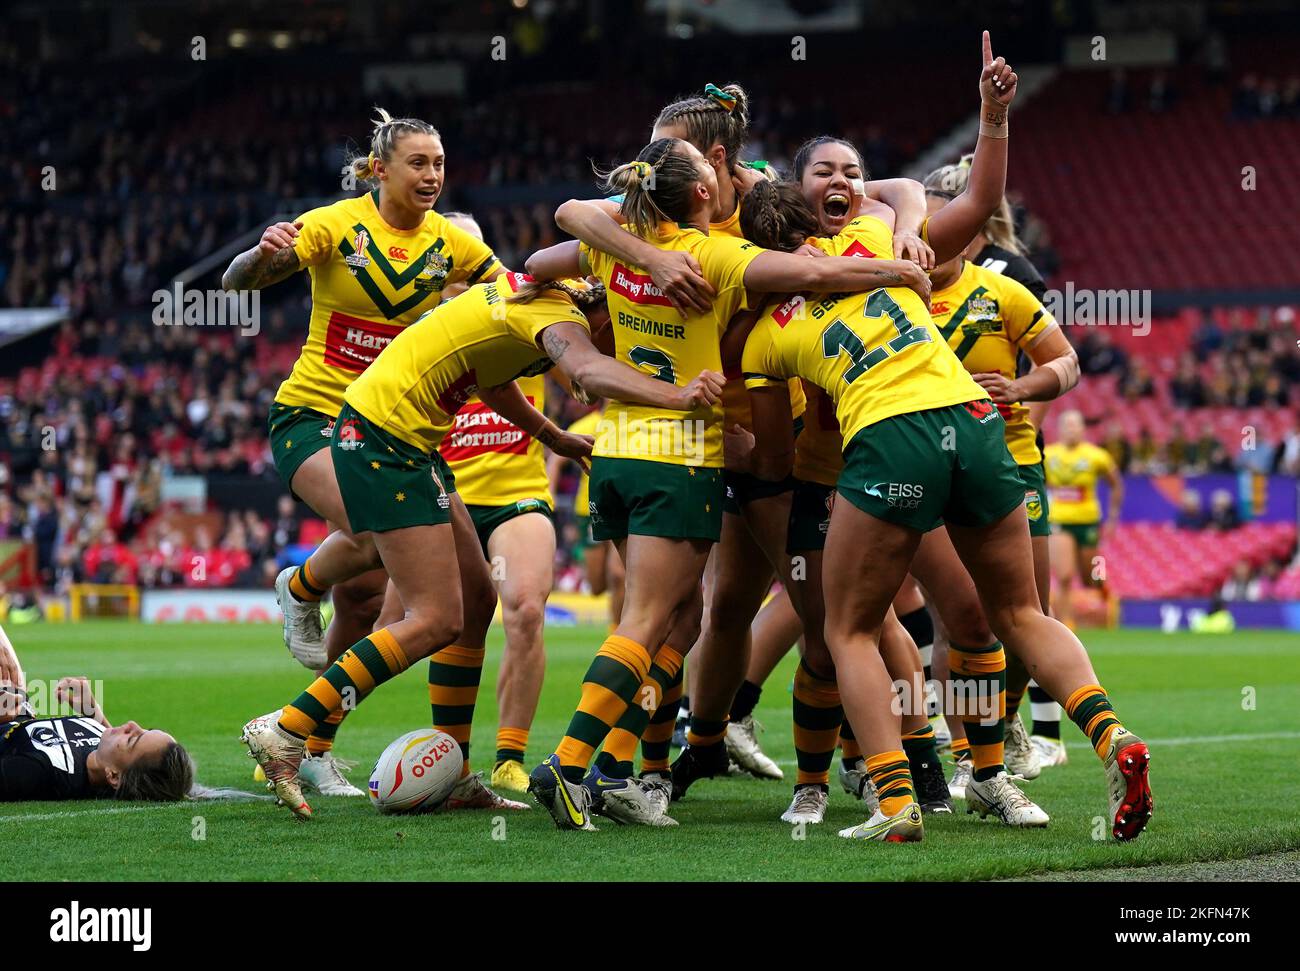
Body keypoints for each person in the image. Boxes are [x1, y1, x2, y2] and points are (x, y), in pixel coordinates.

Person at [741, 32, 1154, 845]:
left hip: (888, 449)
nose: (845, 184)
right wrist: (991, 120)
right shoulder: (884, 244)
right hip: (973, 427)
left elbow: (774, 457)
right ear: (800, 197)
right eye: (825, 172)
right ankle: (1107, 736)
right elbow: (963, 209)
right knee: (1012, 611)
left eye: (852, 174)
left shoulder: (771, 321)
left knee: (853, 628)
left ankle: (909, 798)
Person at [521, 135, 931, 831]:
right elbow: (819, 280)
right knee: (651, 622)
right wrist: (896, 272)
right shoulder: (711, 256)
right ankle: (570, 764)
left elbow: (543, 251)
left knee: (681, 622)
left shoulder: (611, 244)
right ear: (706, 190)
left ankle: (645, 768)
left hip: (613, 453)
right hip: (682, 456)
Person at [239, 270, 723, 819]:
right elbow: (588, 367)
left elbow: (493, 384)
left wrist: (552, 436)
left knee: (475, 596)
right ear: (602, 314)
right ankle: (288, 729)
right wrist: (678, 394)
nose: (624, 352)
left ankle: (454, 773)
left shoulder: (537, 302)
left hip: (405, 440)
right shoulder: (552, 314)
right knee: (435, 619)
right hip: (384, 441)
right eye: (624, 340)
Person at [221, 109, 504, 797]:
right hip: (315, 419)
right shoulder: (335, 224)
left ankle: (375, 755)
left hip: (396, 434)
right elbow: (235, 284)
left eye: (439, 163)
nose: (432, 175)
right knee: (379, 534)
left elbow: (512, 293)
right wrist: (261, 256)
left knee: (472, 591)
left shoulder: (452, 245)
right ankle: (300, 585)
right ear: (380, 170)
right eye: (418, 163)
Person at [439, 212, 558, 795]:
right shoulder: (411, 330)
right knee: (394, 620)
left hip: (516, 497)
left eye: (473, 254)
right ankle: (312, 737)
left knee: (526, 610)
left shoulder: (518, 309)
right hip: (440, 498)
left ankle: (509, 754)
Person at [0, 625, 220, 802]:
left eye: (133, 739)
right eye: (145, 729)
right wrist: (94, 714)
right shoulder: (104, 748)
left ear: (113, 776)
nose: (131, 724)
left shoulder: (39, 773)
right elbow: (104, 741)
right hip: (15, 711)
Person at [1044, 410, 1123, 630]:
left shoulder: (1097, 456)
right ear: (1059, 429)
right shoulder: (1048, 455)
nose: (1071, 429)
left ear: (1082, 429)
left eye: (1075, 425)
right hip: (1059, 520)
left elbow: (1116, 484)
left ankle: (1104, 590)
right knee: (1065, 575)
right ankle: (1066, 626)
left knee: (1091, 576)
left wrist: (1113, 517)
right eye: (1066, 425)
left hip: (1088, 522)